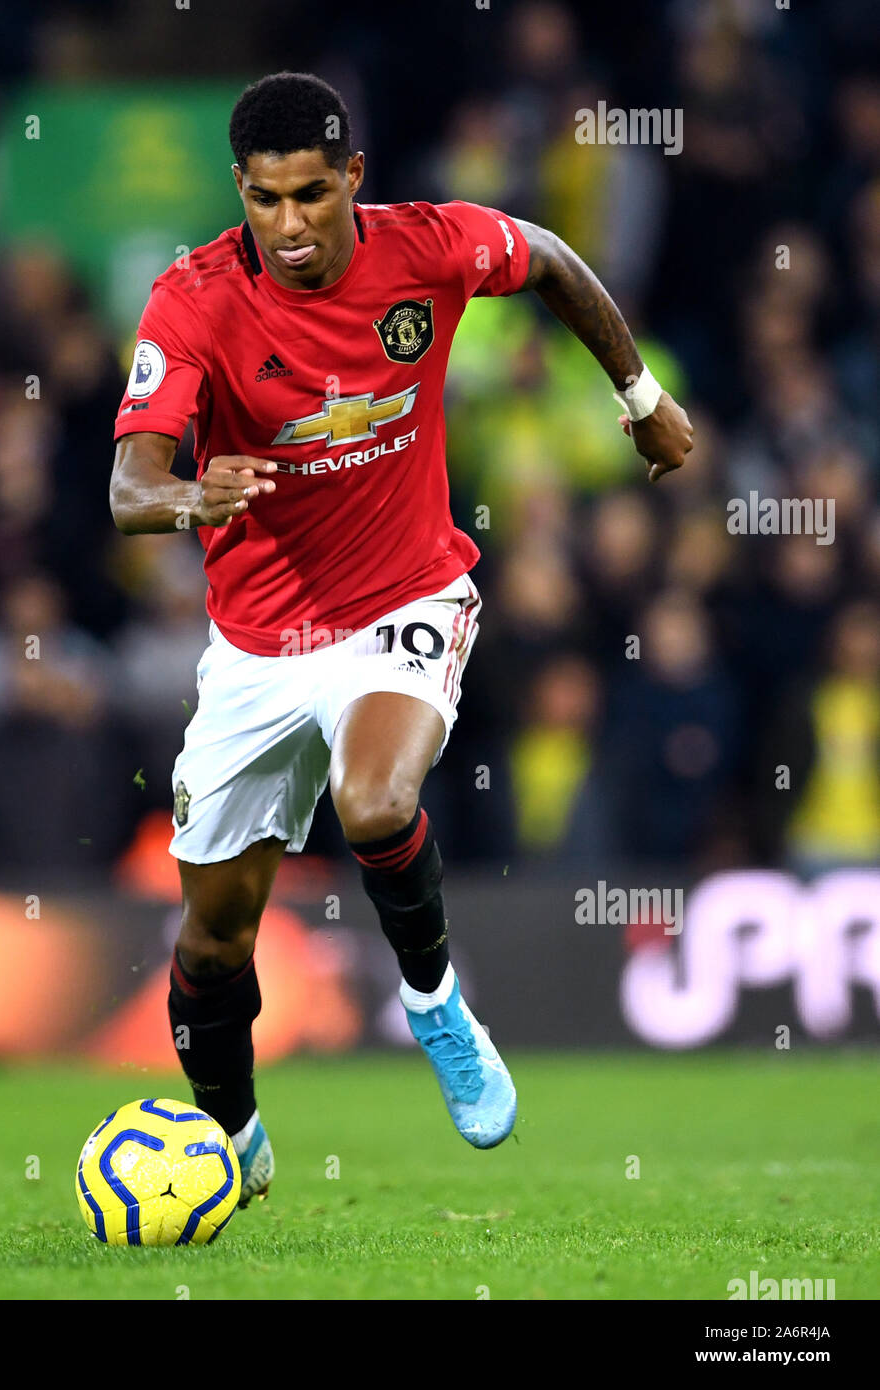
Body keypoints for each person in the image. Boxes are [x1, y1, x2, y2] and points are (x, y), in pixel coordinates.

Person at [109, 72, 692, 1205]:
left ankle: (436, 1006)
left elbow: (557, 263)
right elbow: (130, 483)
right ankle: (228, 1129)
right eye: (266, 199)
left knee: (375, 802)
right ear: (240, 189)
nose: (289, 224)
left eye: (312, 195)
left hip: (403, 599)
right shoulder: (191, 299)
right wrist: (191, 494)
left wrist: (637, 394)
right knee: (214, 944)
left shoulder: (428, 247)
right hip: (253, 648)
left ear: (352, 180)